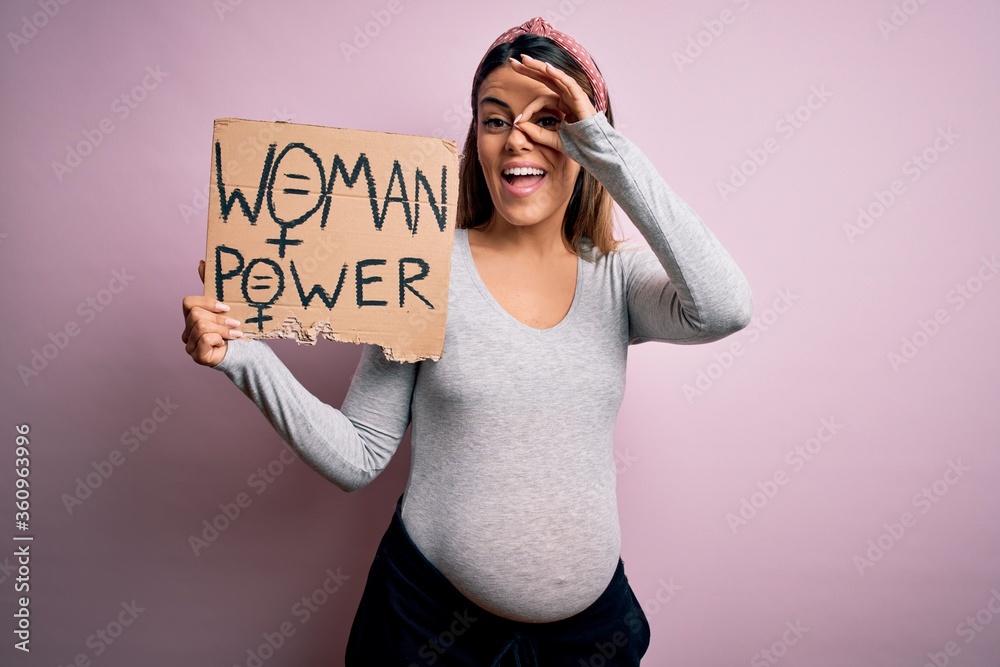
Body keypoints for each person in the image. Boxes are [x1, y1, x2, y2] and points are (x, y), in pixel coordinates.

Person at [181, 16, 753, 666]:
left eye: (550, 117)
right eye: (496, 118)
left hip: (587, 641)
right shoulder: (422, 268)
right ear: (475, 136)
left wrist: (603, 143)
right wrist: (242, 355)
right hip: (427, 630)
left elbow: (726, 307)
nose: (519, 140)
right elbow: (359, 454)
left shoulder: (617, 280)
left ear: (589, 135)